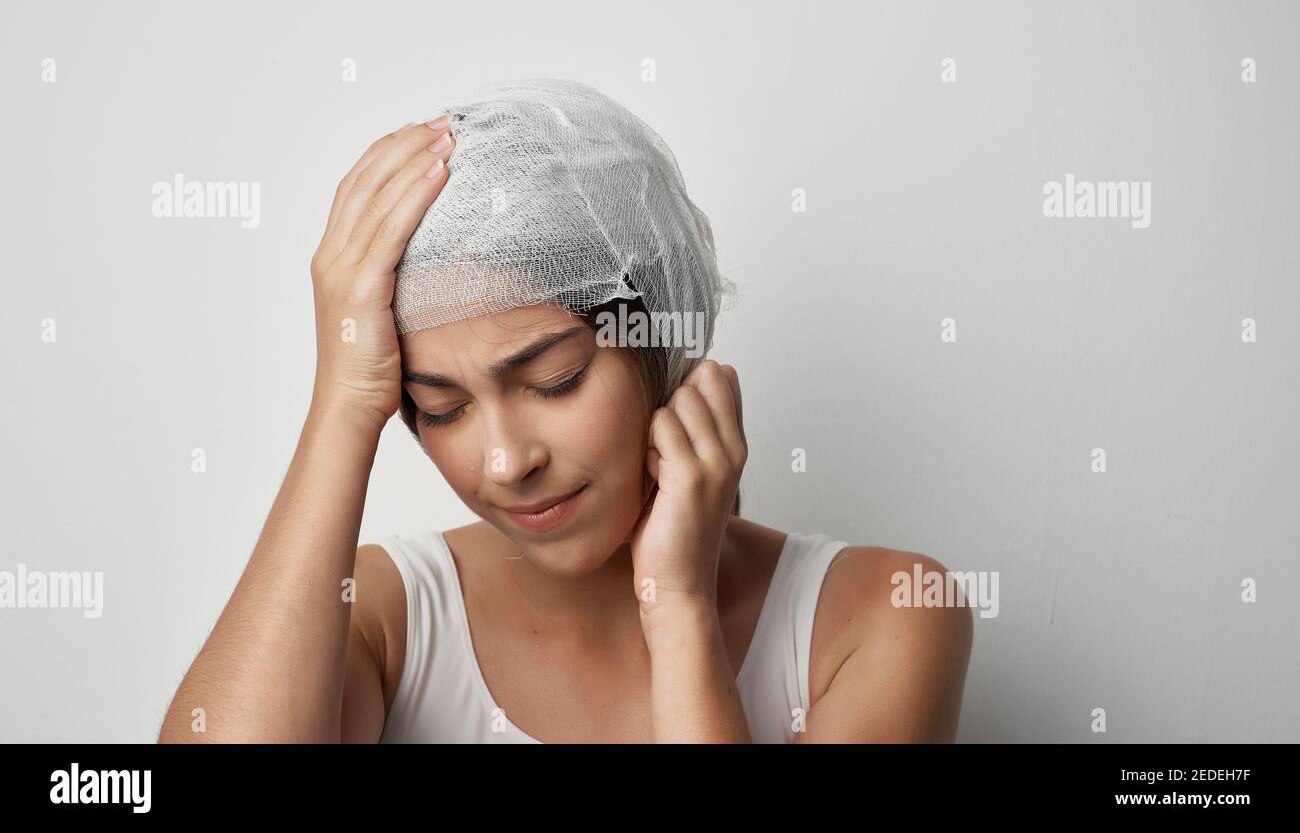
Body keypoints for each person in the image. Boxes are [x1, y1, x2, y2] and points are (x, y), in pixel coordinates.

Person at [157, 88, 973, 743]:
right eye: (440, 407)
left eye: (554, 378)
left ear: (667, 338)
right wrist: (343, 403)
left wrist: (678, 610)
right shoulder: (383, 617)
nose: (505, 461)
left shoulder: (884, 614)